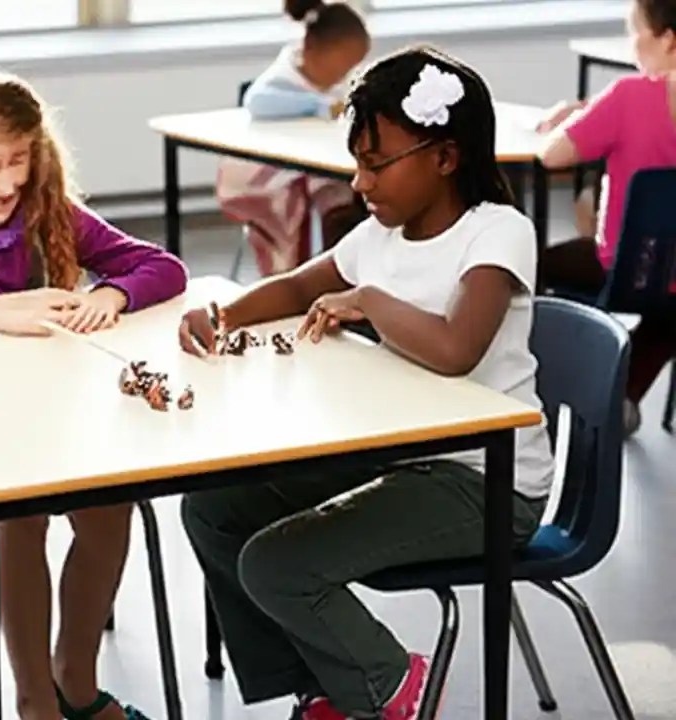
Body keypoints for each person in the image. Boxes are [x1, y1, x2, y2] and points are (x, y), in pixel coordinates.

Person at [181, 47, 554, 720]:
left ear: (445, 157)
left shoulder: (497, 233)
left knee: (275, 566)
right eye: (356, 162)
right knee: (214, 508)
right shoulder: (380, 235)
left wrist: (371, 302)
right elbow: (300, 285)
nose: (359, 182)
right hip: (404, 457)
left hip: (485, 481)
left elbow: (457, 349)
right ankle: (324, 691)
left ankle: (388, 687)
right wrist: (224, 313)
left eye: (376, 163)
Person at [0, 68, 188, 720]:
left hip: (57, 413)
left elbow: (163, 266)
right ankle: (32, 699)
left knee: (111, 513)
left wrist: (111, 291)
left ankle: (75, 679)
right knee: (20, 520)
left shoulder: (46, 207)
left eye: (18, 160)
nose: (5, 182)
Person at [536, 0, 676, 434]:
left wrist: (576, 116)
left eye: (635, 30)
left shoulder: (630, 96)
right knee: (669, 303)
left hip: (623, 268)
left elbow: (552, 155)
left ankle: (559, 384)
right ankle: (626, 390)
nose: (631, 43)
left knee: (531, 264)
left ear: (667, 39)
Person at [216, 0, 370, 279]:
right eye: (341, 65)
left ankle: (346, 266)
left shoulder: (335, 84)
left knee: (350, 199)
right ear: (312, 50)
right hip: (272, 174)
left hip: (321, 170)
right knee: (305, 202)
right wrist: (318, 104)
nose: (344, 75)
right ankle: (300, 275)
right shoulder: (286, 76)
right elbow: (257, 101)